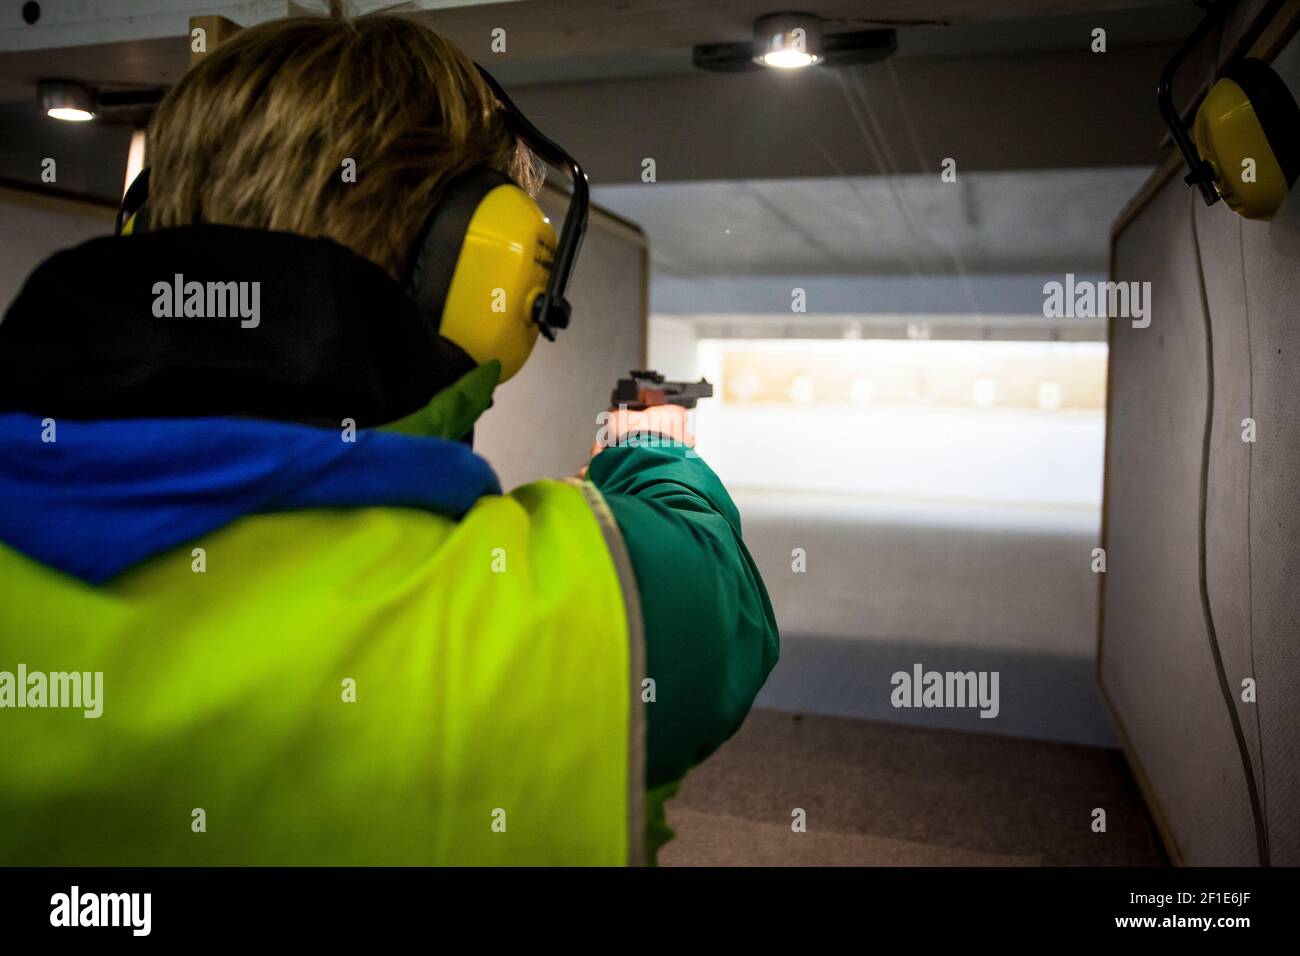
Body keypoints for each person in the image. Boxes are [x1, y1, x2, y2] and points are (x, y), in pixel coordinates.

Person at [0, 8, 777, 865]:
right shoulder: (570, 613)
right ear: (493, 269)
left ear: (141, 227)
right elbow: (716, 595)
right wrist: (650, 445)